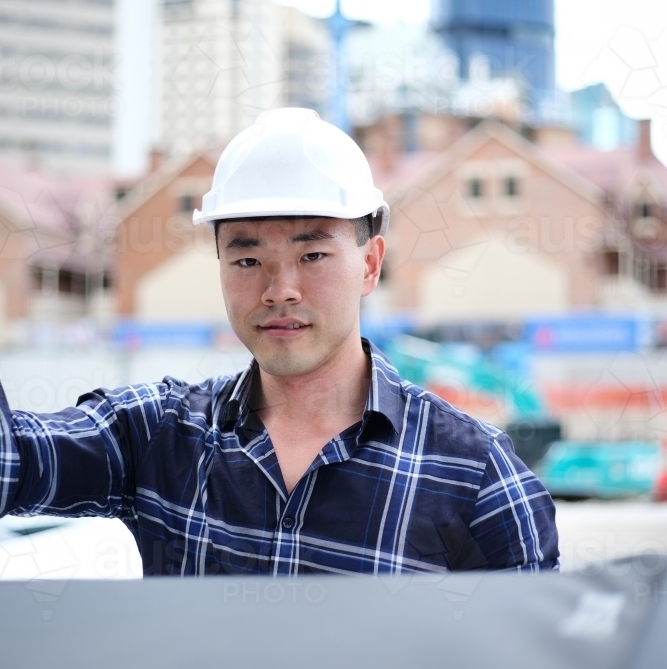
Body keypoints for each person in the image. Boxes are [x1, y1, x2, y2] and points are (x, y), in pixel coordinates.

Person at [0, 108, 558, 576]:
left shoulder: (476, 476)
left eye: (311, 255)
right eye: (247, 259)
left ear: (369, 264)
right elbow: (14, 459)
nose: (279, 290)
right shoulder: (160, 437)